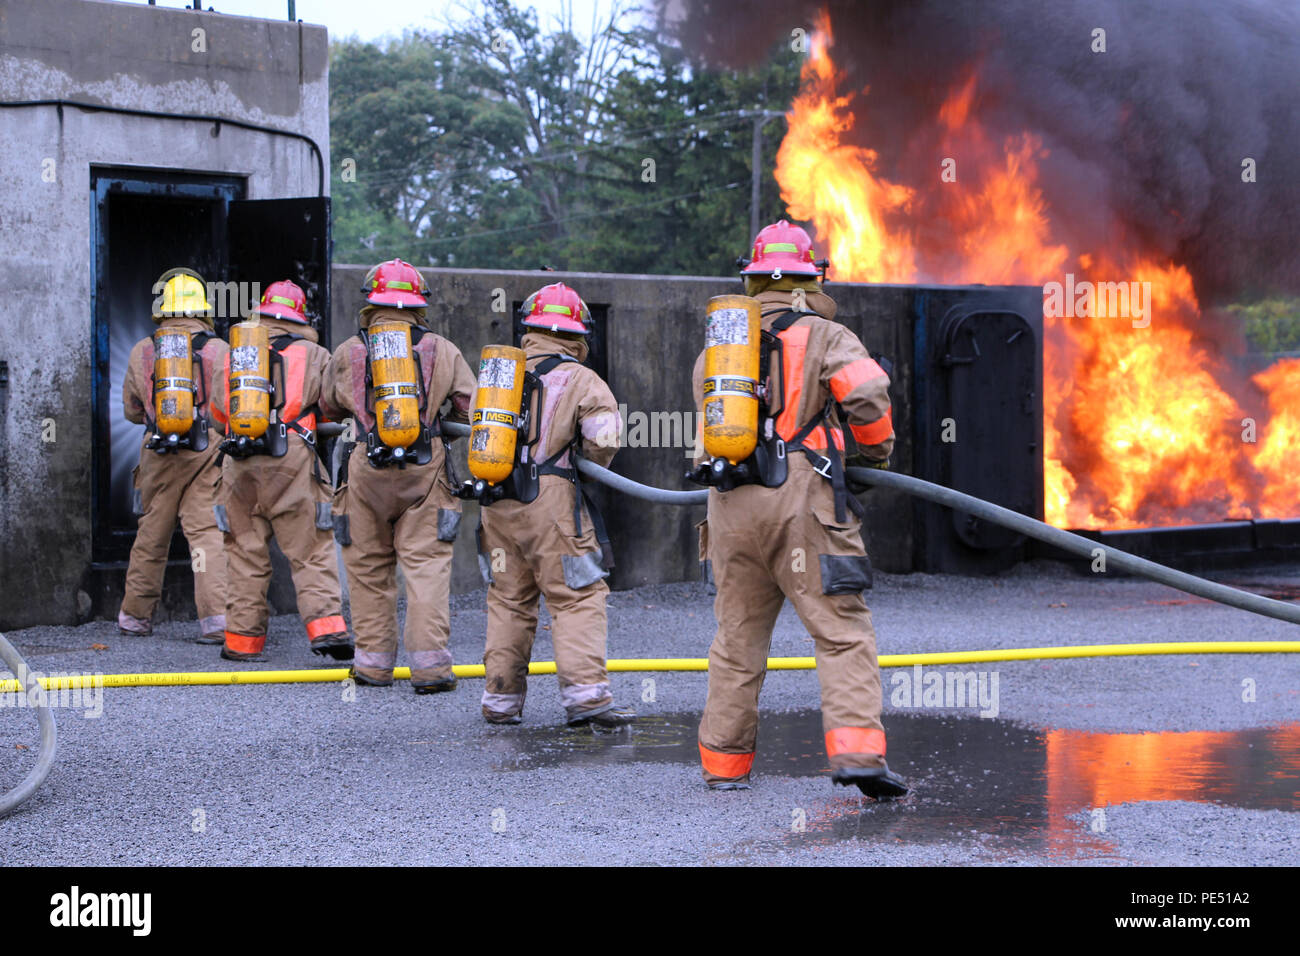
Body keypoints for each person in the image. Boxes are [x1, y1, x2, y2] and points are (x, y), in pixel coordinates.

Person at [692, 220, 908, 797]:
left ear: (754, 279)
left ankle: (723, 768)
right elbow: (865, 396)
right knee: (840, 630)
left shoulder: (721, 348)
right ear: (811, 279)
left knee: (736, 639)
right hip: (803, 506)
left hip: (731, 508)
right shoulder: (825, 334)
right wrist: (877, 452)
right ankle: (858, 754)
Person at [475, 282, 634, 728]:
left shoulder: (501, 374)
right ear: (578, 337)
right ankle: (586, 698)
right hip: (551, 501)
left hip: (497, 501)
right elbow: (604, 437)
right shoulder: (582, 378)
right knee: (577, 595)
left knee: (508, 599)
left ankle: (500, 702)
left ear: (529, 329)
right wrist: (587, 463)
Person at [320, 259, 475, 693]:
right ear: (418, 306)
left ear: (371, 303)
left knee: (368, 569)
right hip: (425, 472)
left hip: (365, 471)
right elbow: (470, 408)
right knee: (426, 569)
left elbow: (328, 407)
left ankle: (372, 666)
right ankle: (430, 670)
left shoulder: (349, 349)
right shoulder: (442, 349)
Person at [209, 280, 352, 663]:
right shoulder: (314, 353)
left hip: (238, 460)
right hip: (289, 457)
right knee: (309, 548)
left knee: (243, 552)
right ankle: (327, 630)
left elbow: (218, 412)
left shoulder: (236, 352)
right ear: (299, 316)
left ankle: (242, 641)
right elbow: (331, 406)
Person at [118, 268, 229, 644]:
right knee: (206, 536)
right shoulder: (219, 350)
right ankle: (216, 621)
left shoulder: (143, 350)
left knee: (151, 535)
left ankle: (134, 617)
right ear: (202, 310)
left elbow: (132, 411)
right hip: (206, 450)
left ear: (164, 310)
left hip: (158, 451)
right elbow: (232, 406)